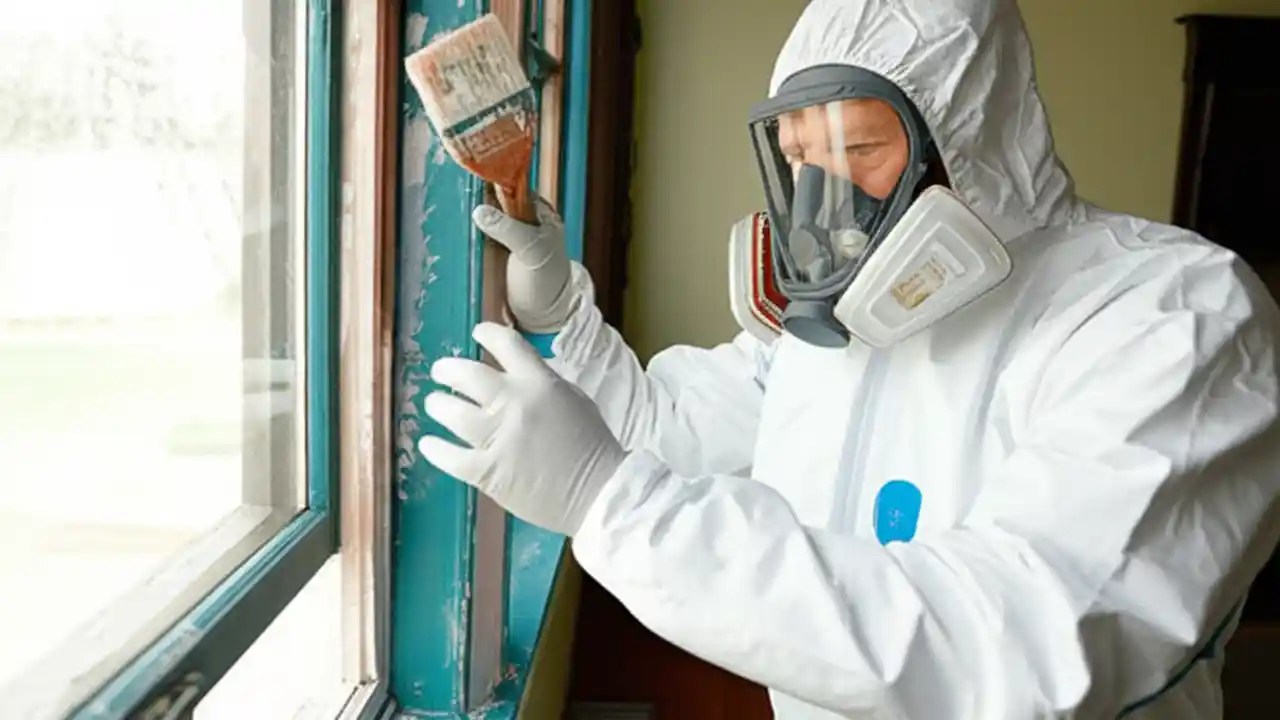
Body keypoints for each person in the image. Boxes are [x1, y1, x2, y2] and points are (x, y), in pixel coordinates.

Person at [417, 0, 1280, 717]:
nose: (821, 198)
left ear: (967, 135)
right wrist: (560, 309)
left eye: (856, 148)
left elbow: (1021, 645)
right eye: (800, 157)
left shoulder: (1173, 316)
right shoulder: (848, 331)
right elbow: (657, 431)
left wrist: (610, 503)